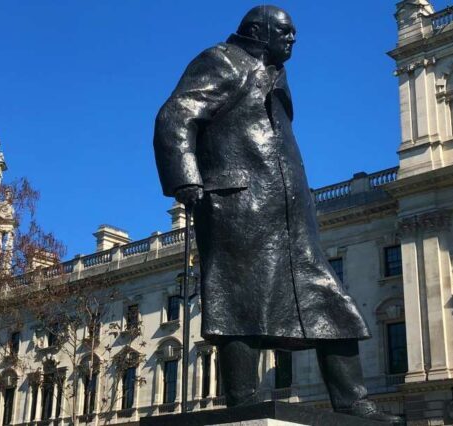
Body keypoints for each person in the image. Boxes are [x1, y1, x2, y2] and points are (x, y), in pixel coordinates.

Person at [154, 5, 399, 423]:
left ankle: (352, 401)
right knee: (238, 302)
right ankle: (243, 401)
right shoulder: (222, 60)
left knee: (331, 303)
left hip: (288, 216)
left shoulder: (274, 72)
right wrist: (186, 179)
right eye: (284, 32)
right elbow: (175, 116)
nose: (292, 39)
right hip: (237, 204)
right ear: (257, 31)